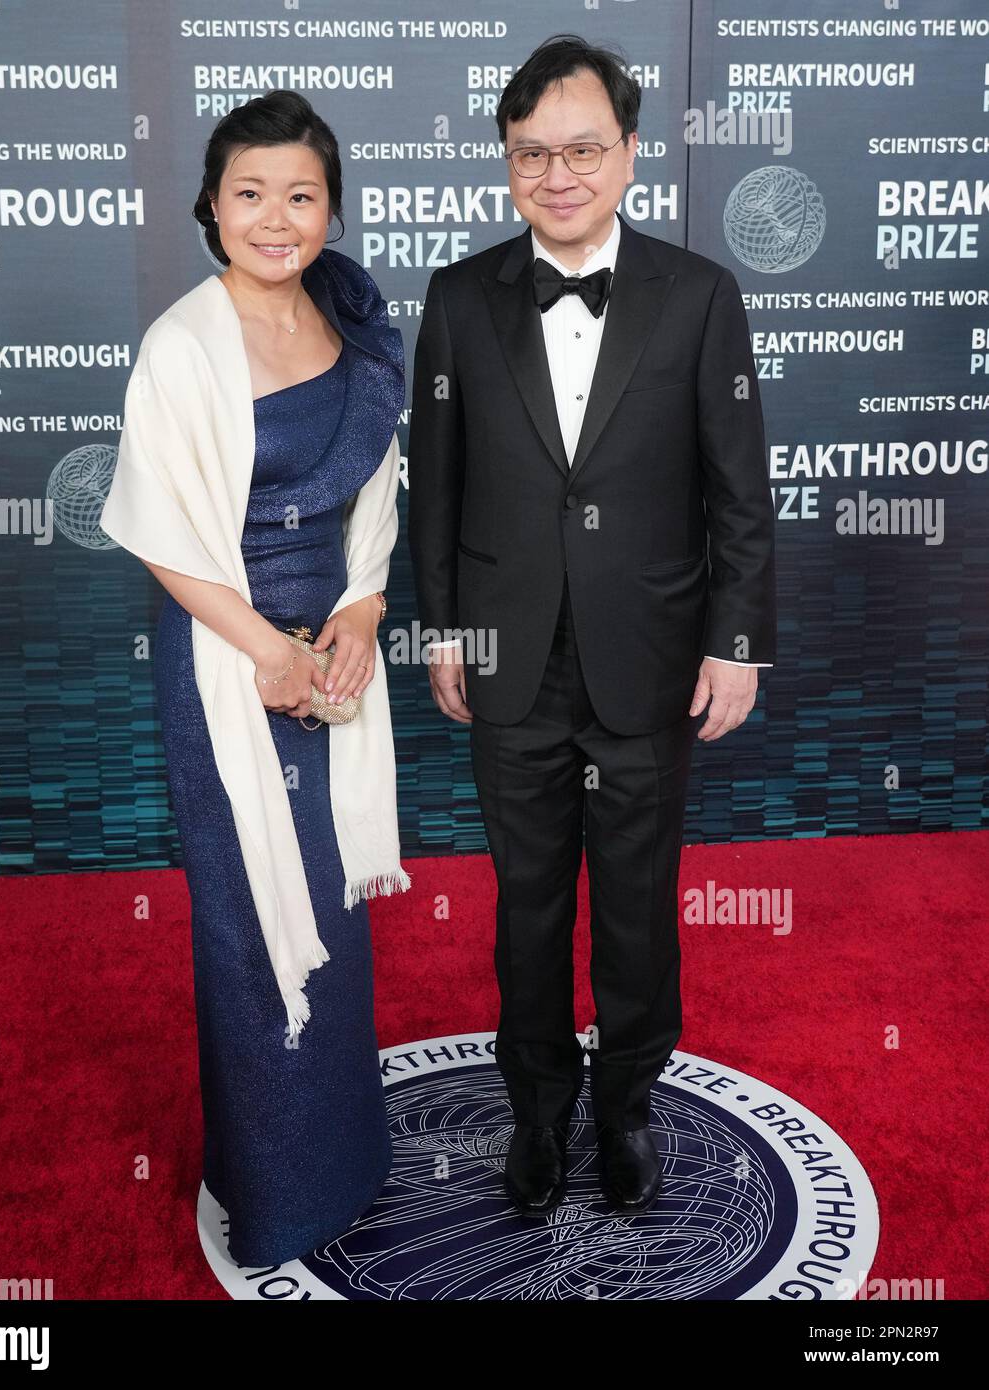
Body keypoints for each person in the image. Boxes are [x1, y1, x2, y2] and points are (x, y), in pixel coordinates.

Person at [407, 35, 776, 1218]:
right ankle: (535, 1113)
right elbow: (438, 482)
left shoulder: (700, 293)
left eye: (581, 148)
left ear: (627, 154)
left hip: (650, 656)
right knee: (525, 903)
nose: (556, 174)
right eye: (530, 153)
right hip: (508, 658)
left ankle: (624, 1109)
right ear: (506, 163)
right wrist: (442, 630)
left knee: (633, 900)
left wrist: (735, 640)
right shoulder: (460, 298)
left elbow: (738, 490)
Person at [99, 92, 410, 1266]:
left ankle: (345, 1157)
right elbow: (168, 535)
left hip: (332, 651)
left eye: (300, 194)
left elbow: (376, 485)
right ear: (210, 209)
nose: (275, 218)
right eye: (249, 194)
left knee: (328, 902)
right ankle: (276, 1194)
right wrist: (268, 653)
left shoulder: (350, 315)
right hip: (229, 660)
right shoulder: (182, 343)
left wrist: (361, 606)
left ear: (328, 209)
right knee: (247, 921)